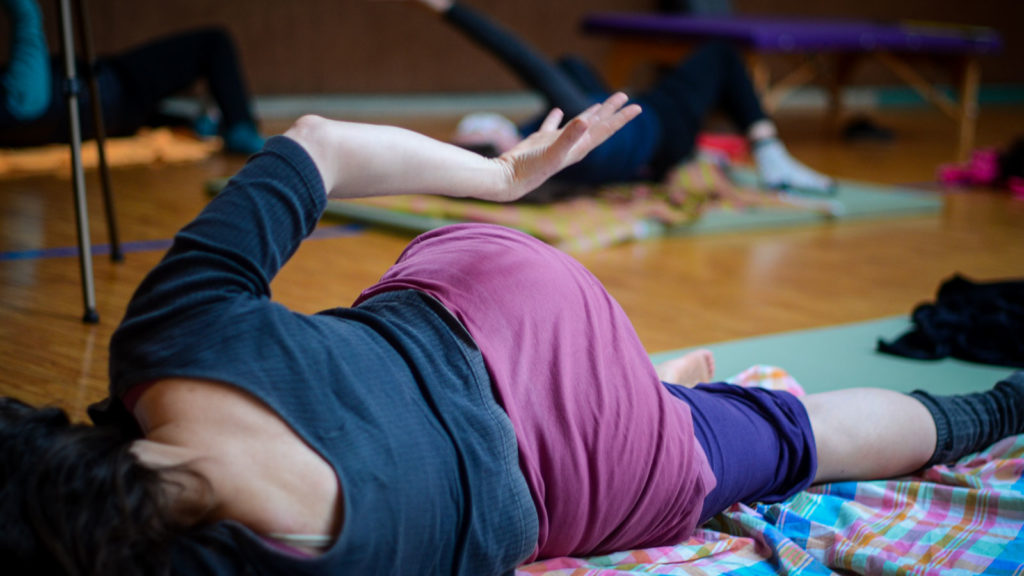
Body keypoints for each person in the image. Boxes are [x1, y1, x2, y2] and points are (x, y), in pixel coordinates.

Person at [1, 93, 1022, 576]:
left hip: (591, 463)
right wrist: (502, 180)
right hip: (497, 286)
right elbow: (313, 144)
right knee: (385, 343)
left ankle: (996, 411)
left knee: (789, 441)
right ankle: (644, 380)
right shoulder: (164, 341)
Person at [412, 0, 836, 195]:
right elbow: (523, 60)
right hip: (662, 126)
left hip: (633, 152)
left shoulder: (522, 162)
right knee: (720, 56)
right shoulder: (570, 134)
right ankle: (771, 154)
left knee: (573, 66)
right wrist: (450, 9)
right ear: (501, 143)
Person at [0, 0, 265, 155]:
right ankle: (240, 128)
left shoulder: (16, 111)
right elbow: (26, 16)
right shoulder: (20, 97)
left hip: (115, 119)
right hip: (118, 88)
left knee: (158, 112)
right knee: (213, 43)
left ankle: (199, 124)